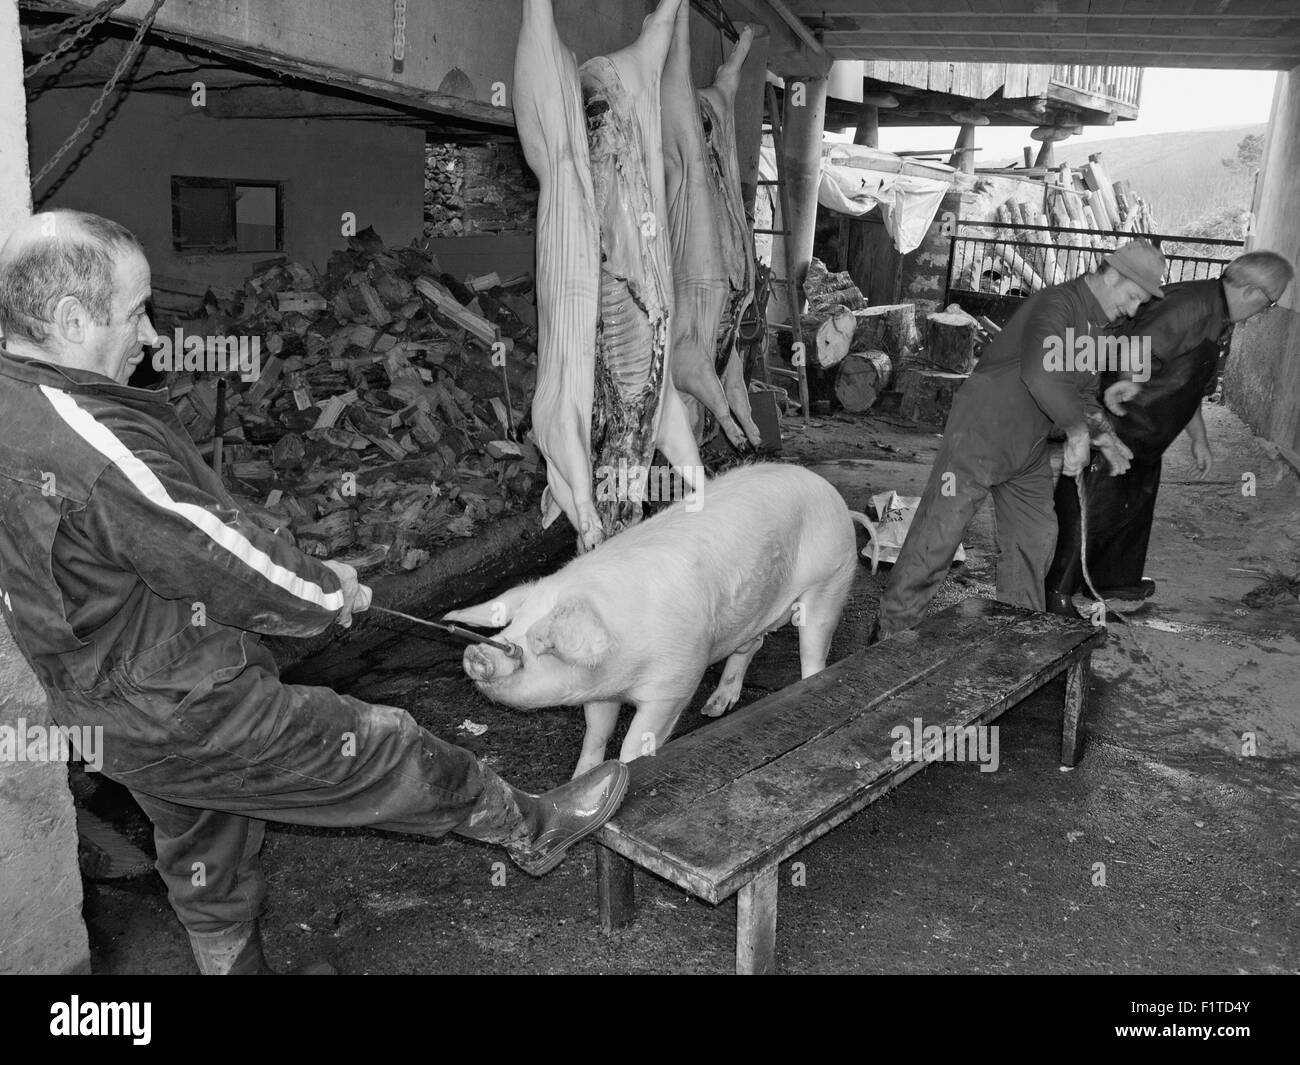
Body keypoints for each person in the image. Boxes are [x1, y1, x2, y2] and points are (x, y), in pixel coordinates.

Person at [0, 210, 629, 975]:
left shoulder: (17, 401)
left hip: (105, 702)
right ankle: (534, 829)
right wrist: (327, 593)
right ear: (69, 318)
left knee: (204, 841)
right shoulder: (89, 442)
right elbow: (211, 554)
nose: (153, 338)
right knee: (385, 746)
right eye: (135, 313)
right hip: (181, 701)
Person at [870, 241, 1167, 640]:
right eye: (1133, 297)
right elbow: (1040, 374)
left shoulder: (1097, 327)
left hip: (1027, 448)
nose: (1133, 310)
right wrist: (1077, 432)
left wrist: (1104, 436)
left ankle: (1016, 635)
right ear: (1111, 273)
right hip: (980, 435)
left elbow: (1082, 395)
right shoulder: (1056, 305)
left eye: (1141, 304)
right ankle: (891, 631)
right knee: (938, 537)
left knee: (1035, 540)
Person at [1046, 250, 1295, 614]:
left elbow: (1191, 384)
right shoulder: (1191, 305)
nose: (1264, 311)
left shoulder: (1219, 314)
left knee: (1131, 509)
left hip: (1147, 432)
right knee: (1091, 508)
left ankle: (1113, 579)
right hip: (1117, 423)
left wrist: (1199, 438)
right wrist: (1128, 382)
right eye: (1269, 304)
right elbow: (1134, 347)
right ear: (1253, 292)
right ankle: (1057, 593)